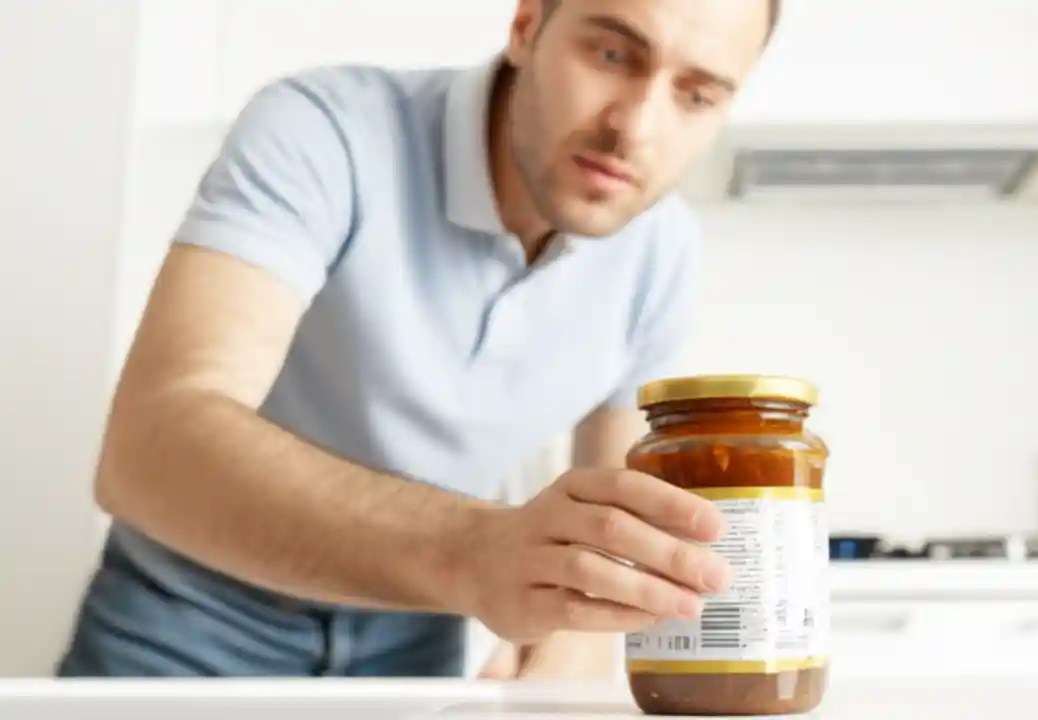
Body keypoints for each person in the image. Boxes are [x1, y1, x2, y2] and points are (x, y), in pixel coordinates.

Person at [58, 0, 780, 678]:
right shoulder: (325, 131)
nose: (636, 126)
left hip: (415, 637)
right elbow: (149, 450)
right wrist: (480, 552)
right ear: (528, 24)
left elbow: (619, 537)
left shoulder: (662, 253)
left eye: (697, 94)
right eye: (613, 53)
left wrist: (568, 636)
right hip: (186, 620)